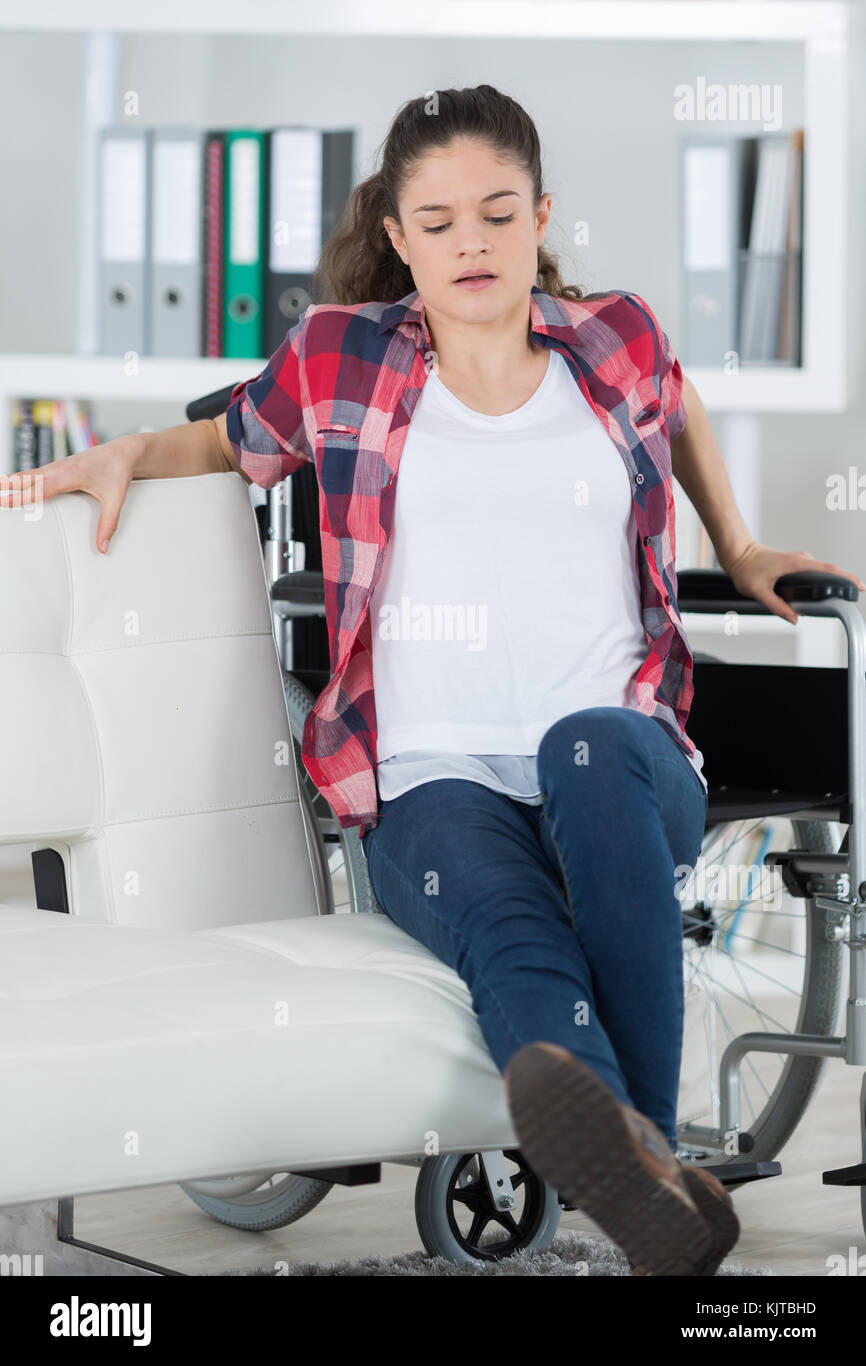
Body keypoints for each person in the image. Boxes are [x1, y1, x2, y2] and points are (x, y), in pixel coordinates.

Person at [4, 84, 862, 1276]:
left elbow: (678, 406)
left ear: (538, 218)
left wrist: (743, 541)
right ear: (399, 238)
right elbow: (225, 439)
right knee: (512, 938)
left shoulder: (615, 336)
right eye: (441, 220)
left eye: (498, 214)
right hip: (425, 775)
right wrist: (124, 454)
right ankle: (637, 1178)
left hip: (621, 756)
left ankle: (644, 1151)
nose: (471, 242)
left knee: (587, 744)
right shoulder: (338, 356)